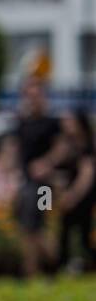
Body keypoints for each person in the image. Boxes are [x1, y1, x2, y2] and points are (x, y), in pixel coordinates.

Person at [13, 77, 62, 276]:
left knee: (39, 228)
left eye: (36, 95)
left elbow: (63, 147)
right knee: (28, 229)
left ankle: (53, 265)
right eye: (29, 95)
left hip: (44, 186)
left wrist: (46, 163)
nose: (33, 99)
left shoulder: (52, 122)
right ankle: (34, 271)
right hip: (26, 184)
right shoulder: (22, 123)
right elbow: (15, 151)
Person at [54, 111, 96, 272]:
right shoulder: (63, 144)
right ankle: (57, 263)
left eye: (70, 121)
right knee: (52, 222)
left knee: (78, 231)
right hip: (50, 192)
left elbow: (87, 175)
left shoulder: (86, 146)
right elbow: (52, 167)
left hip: (78, 196)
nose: (66, 124)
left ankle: (66, 264)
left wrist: (72, 196)